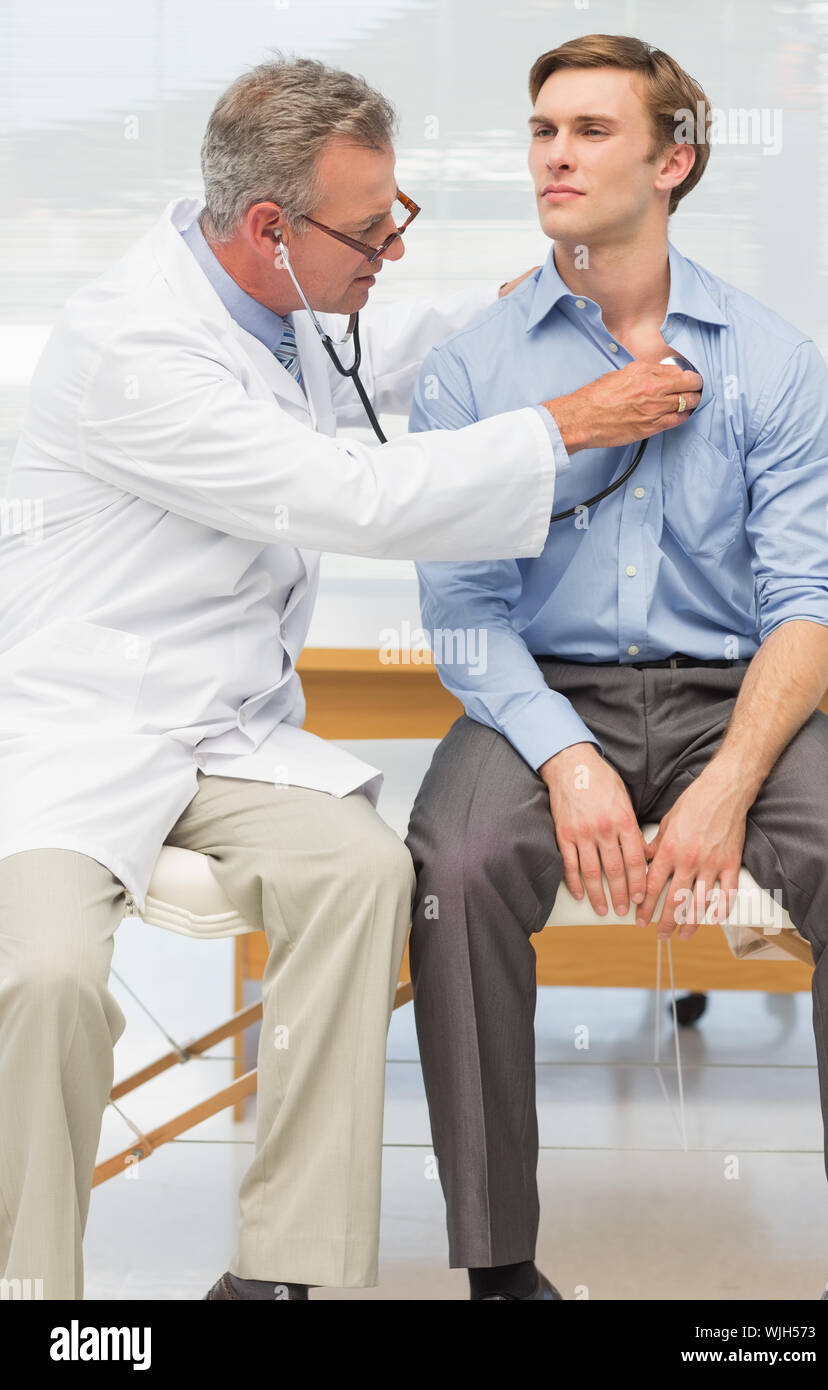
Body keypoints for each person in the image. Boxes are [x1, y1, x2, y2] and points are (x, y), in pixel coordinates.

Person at [0, 53, 701, 1302]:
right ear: (271, 229)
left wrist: (525, 310)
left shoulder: (278, 306)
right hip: (81, 728)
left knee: (366, 871)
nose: (387, 249)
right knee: (45, 978)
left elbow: (406, 368)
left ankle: (279, 1271)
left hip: (225, 732)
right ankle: (33, 1294)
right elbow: (351, 494)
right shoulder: (136, 346)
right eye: (370, 229)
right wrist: (567, 421)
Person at [406, 33, 828, 1302]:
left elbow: (812, 602)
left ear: (674, 161)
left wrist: (723, 785)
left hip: (736, 692)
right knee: (454, 858)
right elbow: (457, 607)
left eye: (591, 130)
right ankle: (499, 1270)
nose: (555, 152)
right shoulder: (477, 366)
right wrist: (559, 750)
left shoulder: (769, 361)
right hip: (538, 687)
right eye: (543, 128)